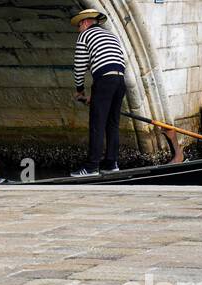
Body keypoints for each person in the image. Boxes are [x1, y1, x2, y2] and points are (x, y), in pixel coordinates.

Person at [69, 9, 127, 177]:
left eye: (79, 25)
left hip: (104, 81)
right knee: (112, 123)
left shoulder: (85, 35)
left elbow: (79, 66)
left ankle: (92, 167)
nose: (78, 29)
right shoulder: (111, 35)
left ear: (86, 22)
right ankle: (111, 163)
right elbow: (118, 60)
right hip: (119, 80)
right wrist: (95, 94)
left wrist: (80, 90)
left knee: (97, 124)